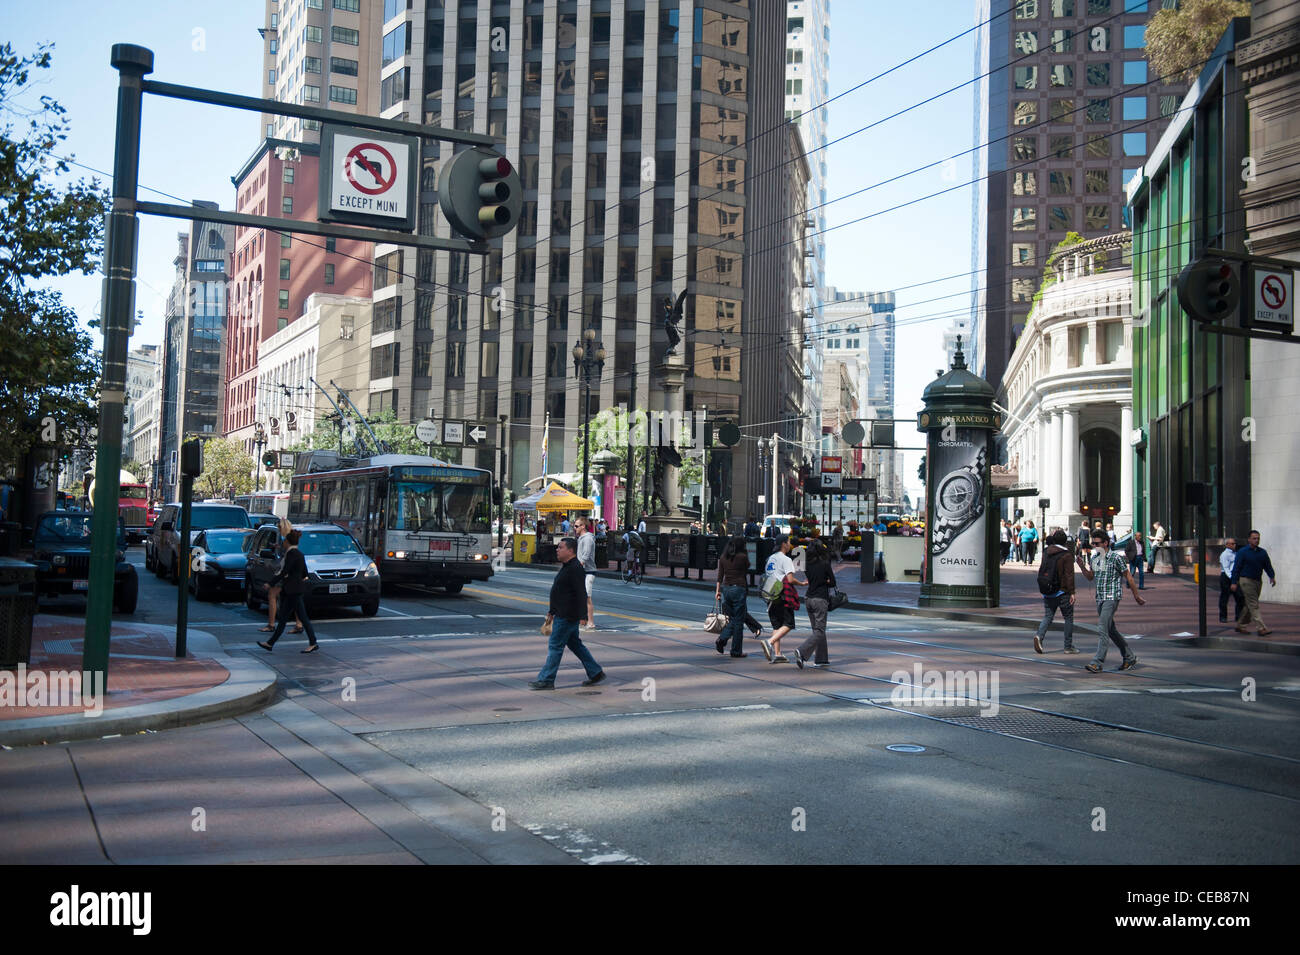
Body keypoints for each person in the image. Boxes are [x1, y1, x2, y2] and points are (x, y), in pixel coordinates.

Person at [530, 536, 604, 689]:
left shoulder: (575, 568)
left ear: (570, 550)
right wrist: (551, 611)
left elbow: (581, 593)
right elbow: (560, 592)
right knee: (576, 645)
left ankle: (546, 679)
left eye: (560, 547)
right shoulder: (567, 566)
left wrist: (583, 615)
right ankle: (595, 672)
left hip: (567, 615)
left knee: (555, 646)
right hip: (563, 613)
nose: (557, 549)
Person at [1075, 528, 1146, 672]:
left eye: (1097, 543)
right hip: (1100, 598)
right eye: (1093, 544)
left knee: (1102, 629)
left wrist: (1136, 596)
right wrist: (1081, 566)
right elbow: (1090, 577)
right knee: (1111, 630)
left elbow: (1129, 577)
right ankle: (1129, 657)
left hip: (1111, 597)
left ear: (1106, 543)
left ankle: (1097, 662)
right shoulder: (1095, 558)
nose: (1095, 547)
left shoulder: (1115, 558)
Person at [257, 530, 319, 653]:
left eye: (285, 541)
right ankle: (270, 643)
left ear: (288, 542)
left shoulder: (291, 554)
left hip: (293, 590)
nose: (283, 543)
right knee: (286, 618)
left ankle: (313, 642)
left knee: (297, 618)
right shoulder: (299, 554)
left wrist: (270, 583)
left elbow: (284, 571)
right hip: (295, 590)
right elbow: (304, 573)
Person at [759, 535, 806, 664]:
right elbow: (790, 580)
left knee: (777, 625)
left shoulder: (770, 559)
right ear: (784, 544)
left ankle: (778, 654)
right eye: (789, 542)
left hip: (769, 594)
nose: (790, 544)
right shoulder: (786, 559)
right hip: (782, 595)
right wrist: (801, 584)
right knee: (789, 624)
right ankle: (769, 642)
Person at [790, 540, 835, 669]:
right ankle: (802, 651)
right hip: (820, 599)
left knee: (817, 630)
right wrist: (825, 581)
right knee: (820, 631)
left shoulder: (806, 565)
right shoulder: (825, 564)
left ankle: (821, 659)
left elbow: (811, 578)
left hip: (808, 598)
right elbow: (833, 582)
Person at [1032, 529, 1078, 654]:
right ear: (1065, 541)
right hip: (1062, 591)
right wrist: (1072, 592)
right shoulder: (1067, 555)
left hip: (1047, 589)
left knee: (1048, 616)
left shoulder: (1046, 551)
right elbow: (1069, 575)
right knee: (1068, 617)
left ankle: (1039, 636)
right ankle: (1068, 646)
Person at [1229, 530, 1277, 636]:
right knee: (1254, 604)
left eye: (1258, 538)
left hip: (1257, 581)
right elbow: (1237, 568)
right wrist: (1234, 582)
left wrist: (1272, 576)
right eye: (1254, 538)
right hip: (1246, 580)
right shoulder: (1243, 552)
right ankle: (1261, 628)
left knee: (1249, 605)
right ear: (1249, 539)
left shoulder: (1262, 552)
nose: (1256, 540)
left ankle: (1240, 625)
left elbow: (1267, 566)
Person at [259, 518, 302, 635]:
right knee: (295, 600)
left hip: (284, 572)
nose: (278, 529)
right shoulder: (292, 536)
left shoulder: (286, 538)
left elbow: (288, 555)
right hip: (291, 574)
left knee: (272, 595)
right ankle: (299, 624)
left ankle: (271, 624)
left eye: (279, 527)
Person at [714, 535, 751, 657]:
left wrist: (717, 591)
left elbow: (720, 577)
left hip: (727, 589)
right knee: (738, 621)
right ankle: (735, 650)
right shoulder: (742, 557)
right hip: (739, 588)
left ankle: (723, 639)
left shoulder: (723, 557)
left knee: (733, 618)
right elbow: (747, 567)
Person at [574, 516, 597, 630]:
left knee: (587, 597)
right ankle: (582, 620)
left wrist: (577, 567)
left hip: (588, 571)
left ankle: (591, 622)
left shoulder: (587, 539)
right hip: (582, 571)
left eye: (577, 526)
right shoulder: (581, 538)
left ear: (583, 526)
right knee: (580, 596)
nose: (575, 528)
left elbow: (586, 556)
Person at [1218, 537, 1243, 625]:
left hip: (1234, 576)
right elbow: (1226, 568)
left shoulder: (1236, 553)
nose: (1234, 545)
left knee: (1239, 597)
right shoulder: (1224, 555)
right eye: (1232, 544)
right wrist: (1232, 579)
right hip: (1226, 577)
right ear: (1227, 545)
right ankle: (1223, 616)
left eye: (1234, 543)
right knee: (1224, 598)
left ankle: (1239, 616)